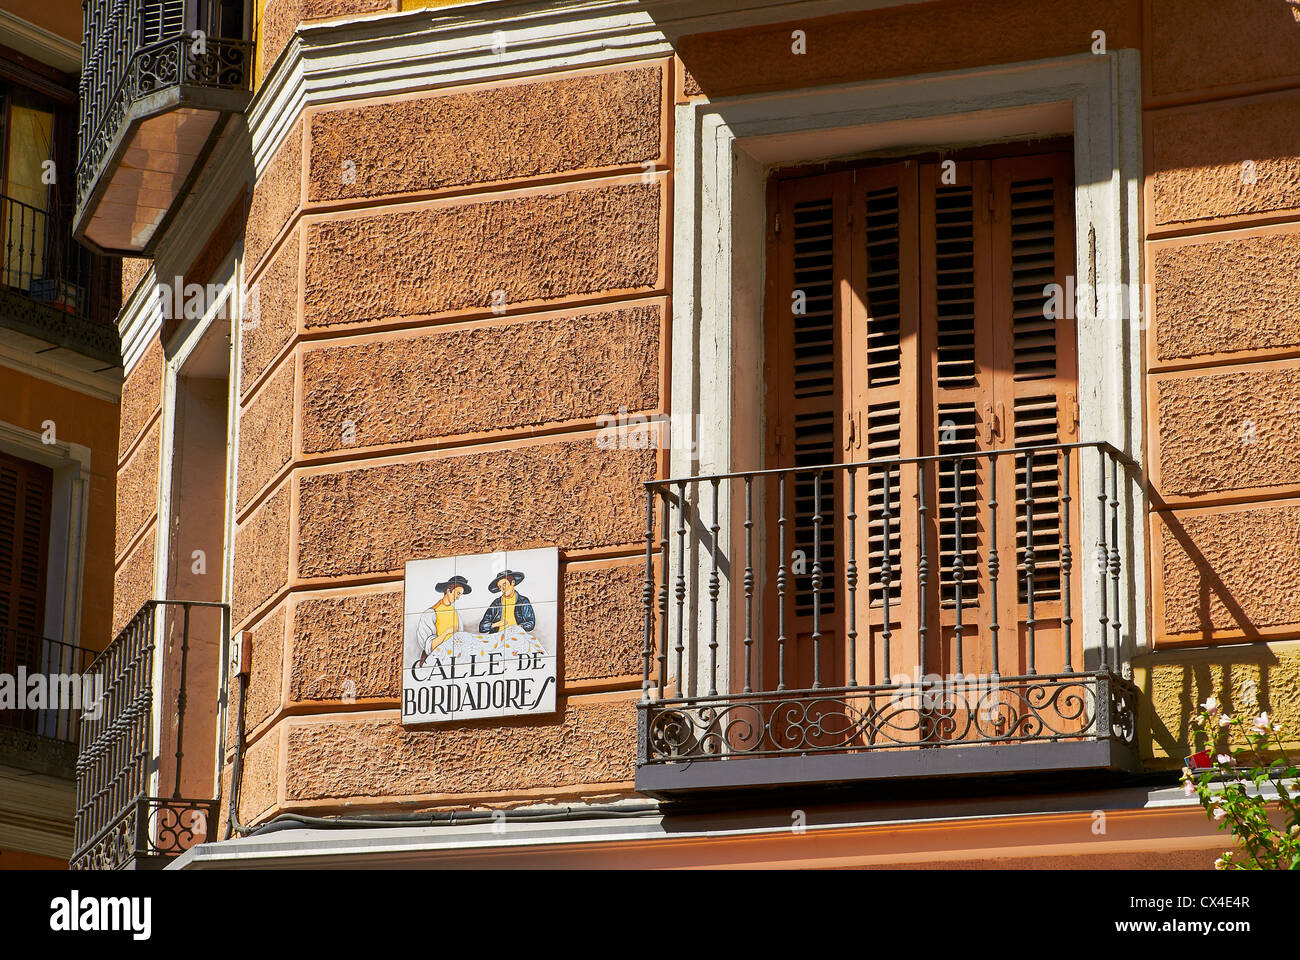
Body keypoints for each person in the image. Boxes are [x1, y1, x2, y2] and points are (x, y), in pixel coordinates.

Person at [415, 575, 471, 666]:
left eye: (460, 594)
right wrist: (446, 633)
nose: (458, 597)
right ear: (448, 590)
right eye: (458, 593)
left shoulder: (456, 614)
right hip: (435, 663)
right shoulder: (431, 613)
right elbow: (430, 647)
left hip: (454, 661)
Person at [478, 569, 536, 633]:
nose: (502, 589)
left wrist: (517, 628)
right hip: (497, 637)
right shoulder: (496, 603)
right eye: (500, 587)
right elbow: (482, 627)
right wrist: (496, 624)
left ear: (513, 582)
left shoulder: (523, 601)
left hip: (517, 636)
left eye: (504, 584)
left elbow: (531, 623)